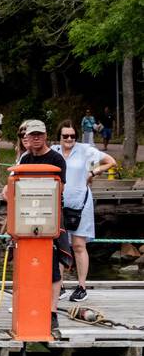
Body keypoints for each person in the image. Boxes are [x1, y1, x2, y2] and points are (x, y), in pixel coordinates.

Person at [9, 121, 68, 333]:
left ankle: (52, 312)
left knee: (53, 267)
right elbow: (13, 184)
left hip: (49, 219)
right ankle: (27, 307)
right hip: (26, 219)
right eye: (31, 135)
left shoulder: (56, 158)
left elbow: (59, 187)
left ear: (45, 136)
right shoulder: (25, 158)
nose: (35, 138)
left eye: (39, 135)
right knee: (26, 265)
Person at [57, 120, 117, 301]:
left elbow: (111, 161)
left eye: (72, 136)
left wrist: (93, 172)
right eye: (65, 136)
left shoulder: (85, 150)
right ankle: (58, 285)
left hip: (80, 203)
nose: (69, 139)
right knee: (60, 245)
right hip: (59, 204)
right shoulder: (54, 151)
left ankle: (81, 286)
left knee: (78, 245)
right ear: (59, 137)